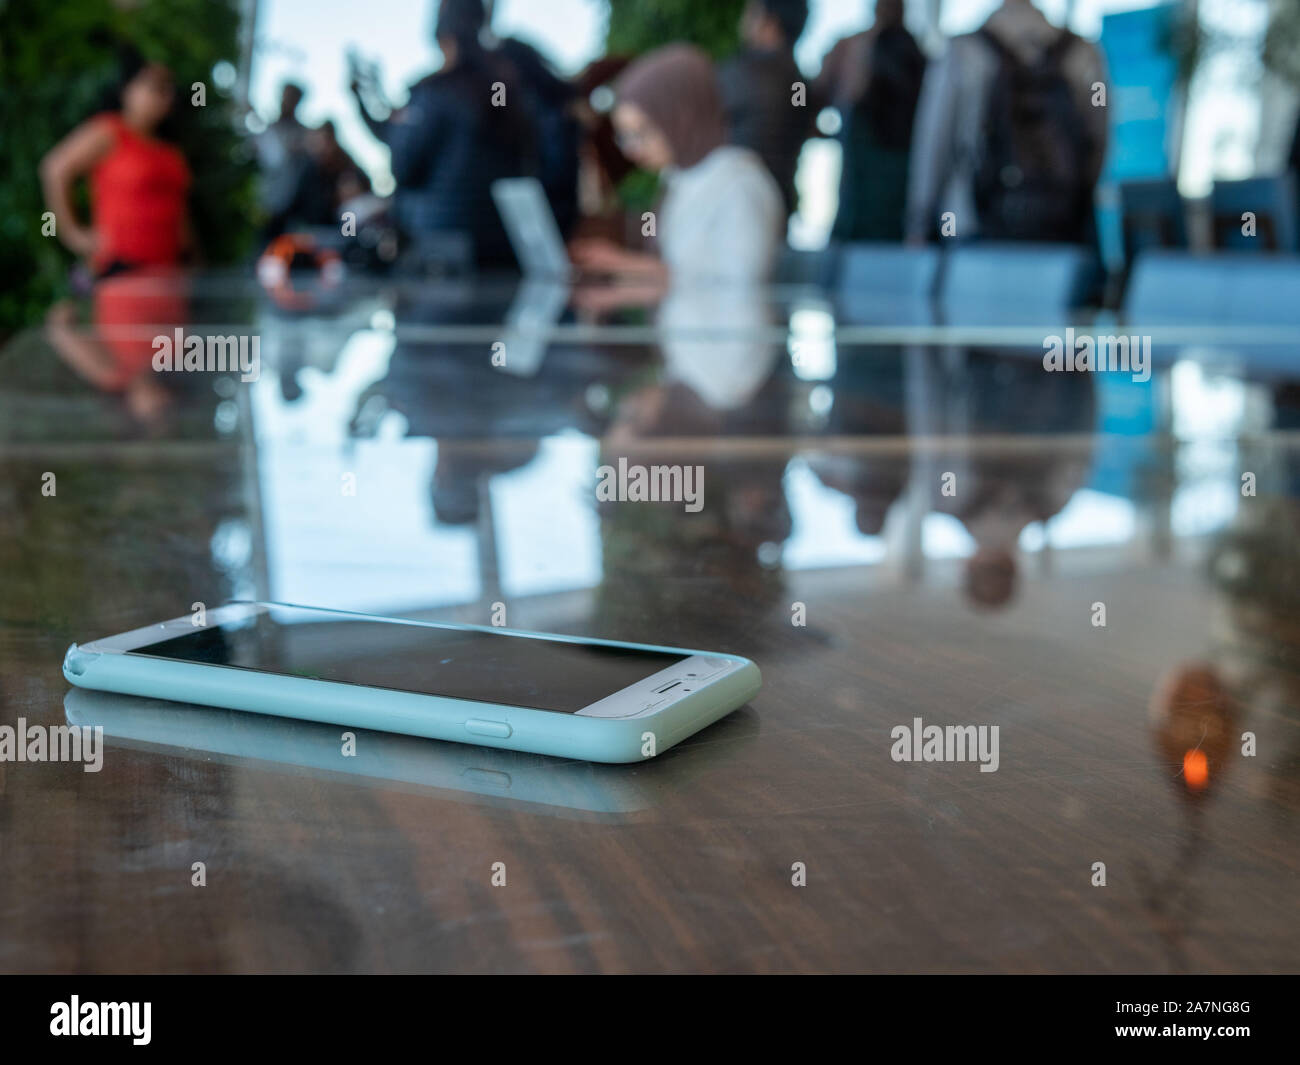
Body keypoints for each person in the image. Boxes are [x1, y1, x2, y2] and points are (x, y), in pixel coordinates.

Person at [39, 46, 192, 416]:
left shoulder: (169, 152)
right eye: (153, 85)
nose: (164, 96)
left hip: (170, 282)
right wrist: (73, 234)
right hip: (124, 277)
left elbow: (179, 214)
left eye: (168, 88)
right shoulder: (110, 131)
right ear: (128, 90)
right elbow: (55, 168)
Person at [569, 44, 785, 287]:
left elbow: (741, 284)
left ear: (680, 115)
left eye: (642, 132)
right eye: (625, 136)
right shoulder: (680, 178)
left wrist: (625, 264)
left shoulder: (741, 183)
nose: (631, 149)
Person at [905, 0, 1108, 245]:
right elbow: (1099, 134)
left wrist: (919, 222)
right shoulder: (1085, 53)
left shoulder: (961, 52)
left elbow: (934, 142)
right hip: (1060, 226)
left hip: (968, 223)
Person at [351, 0, 531, 270]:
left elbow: (403, 165)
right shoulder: (501, 86)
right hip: (502, 250)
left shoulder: (434, 93)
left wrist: (393, 116)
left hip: (437, 254)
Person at [815, 0, 926, 241]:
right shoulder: (913, 53)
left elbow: (809, 96)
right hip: (887, 217)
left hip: (866, 214)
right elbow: (810, 96)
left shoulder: (854, 48)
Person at [717, 0, 814, 219]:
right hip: (780, 204)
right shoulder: (800, 83)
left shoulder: (744, 73)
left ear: (770, 23)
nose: (743, 21)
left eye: (751, 13)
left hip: (736, 206)